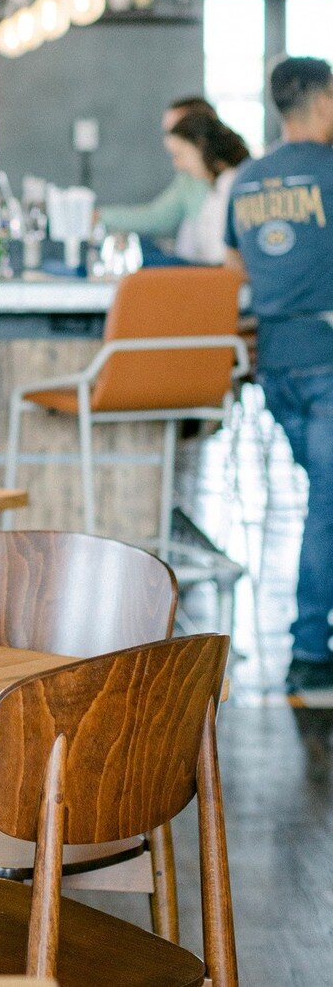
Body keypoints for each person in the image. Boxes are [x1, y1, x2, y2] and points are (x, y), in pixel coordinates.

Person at [225, 56, 333, 692]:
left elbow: (235, 262)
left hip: (276, 362)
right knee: (326, 502)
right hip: (325, 356)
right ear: (321, 103)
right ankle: (310, 647)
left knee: (324, 495)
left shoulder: (248, 178)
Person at [99, 95, 219, 242]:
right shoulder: (188, 178)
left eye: (176, 130)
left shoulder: (229, 180)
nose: (170, 141)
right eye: (167, 132)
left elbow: (158, 219)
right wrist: (99, 217)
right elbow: (156, 216)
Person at [163, 111, 250, 264]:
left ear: (201, 146)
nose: (177, 165)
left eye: (180, 154)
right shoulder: (214, 186)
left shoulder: (229, 183)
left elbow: (220, 257)